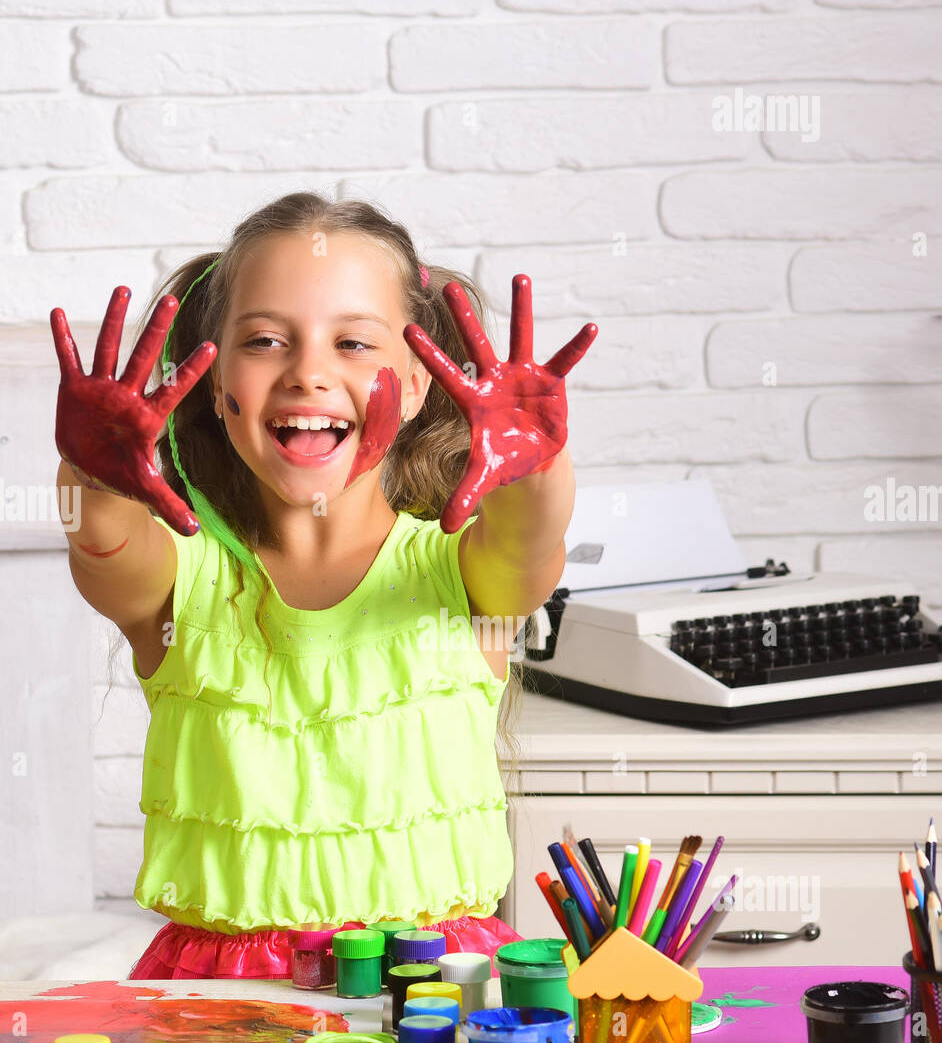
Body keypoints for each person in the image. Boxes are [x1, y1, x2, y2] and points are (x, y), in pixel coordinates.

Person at [51, 190, 597, 979]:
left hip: (430, 995)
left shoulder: (460, 572)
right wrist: (92, 471)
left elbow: (528, 539)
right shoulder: (185, 580)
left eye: (352, 343)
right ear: (214, 384)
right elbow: (104, 546)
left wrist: (536, 462)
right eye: (267, 340)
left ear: (414, 385)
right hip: (219, 1007)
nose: (309, 372)